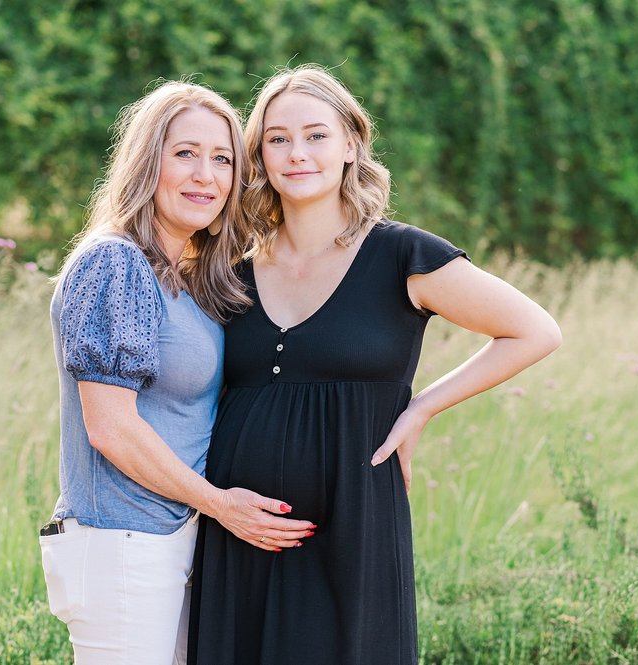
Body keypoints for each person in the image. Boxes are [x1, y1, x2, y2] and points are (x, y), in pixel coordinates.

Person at [187, 65, 562, 664]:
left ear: (351, 145)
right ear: (259, 154)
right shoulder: (228, 270)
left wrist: (422, 408)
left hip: (352, 526)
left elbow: (535, 331)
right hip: (239, 532)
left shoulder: (403, 255)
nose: (297, 153)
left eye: (316, 135)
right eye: (277, 139)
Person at [39, 80, 314, 665]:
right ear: (147, 162)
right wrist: (220, 503)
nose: (205, 176)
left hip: (169, 539)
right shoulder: (117, 263)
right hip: (122, 545)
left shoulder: (183, 276)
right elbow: (110, 427)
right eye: (185, 153)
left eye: (222, 160)